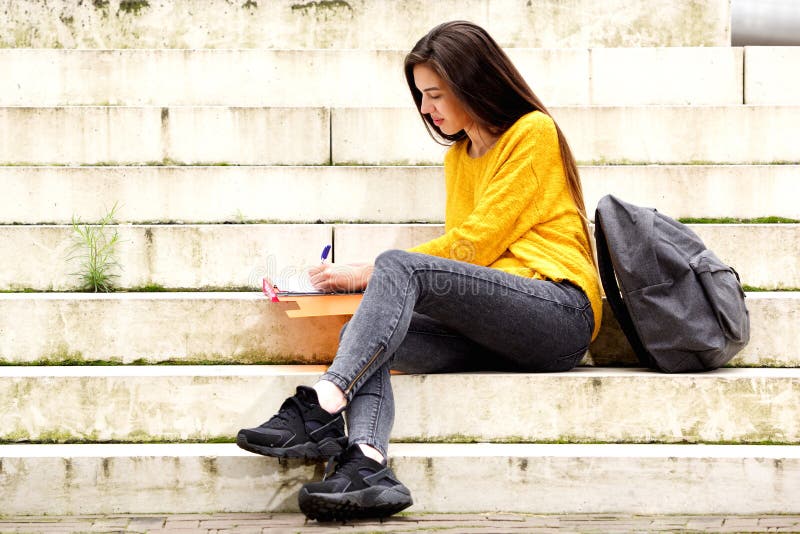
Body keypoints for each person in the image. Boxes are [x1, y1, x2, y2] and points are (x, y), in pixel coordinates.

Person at [236, 20, 602, 522]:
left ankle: (321, 404)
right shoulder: (459, 157)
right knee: (367, 337)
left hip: (557, 314)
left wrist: (368, 272)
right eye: (421, 96)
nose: (426, 109)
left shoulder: (531, 132)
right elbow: (467, 260)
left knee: (395, 268)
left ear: (473, 84)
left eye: (434, 94)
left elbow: (473, 246)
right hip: (495, 325)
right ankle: (367, 463)